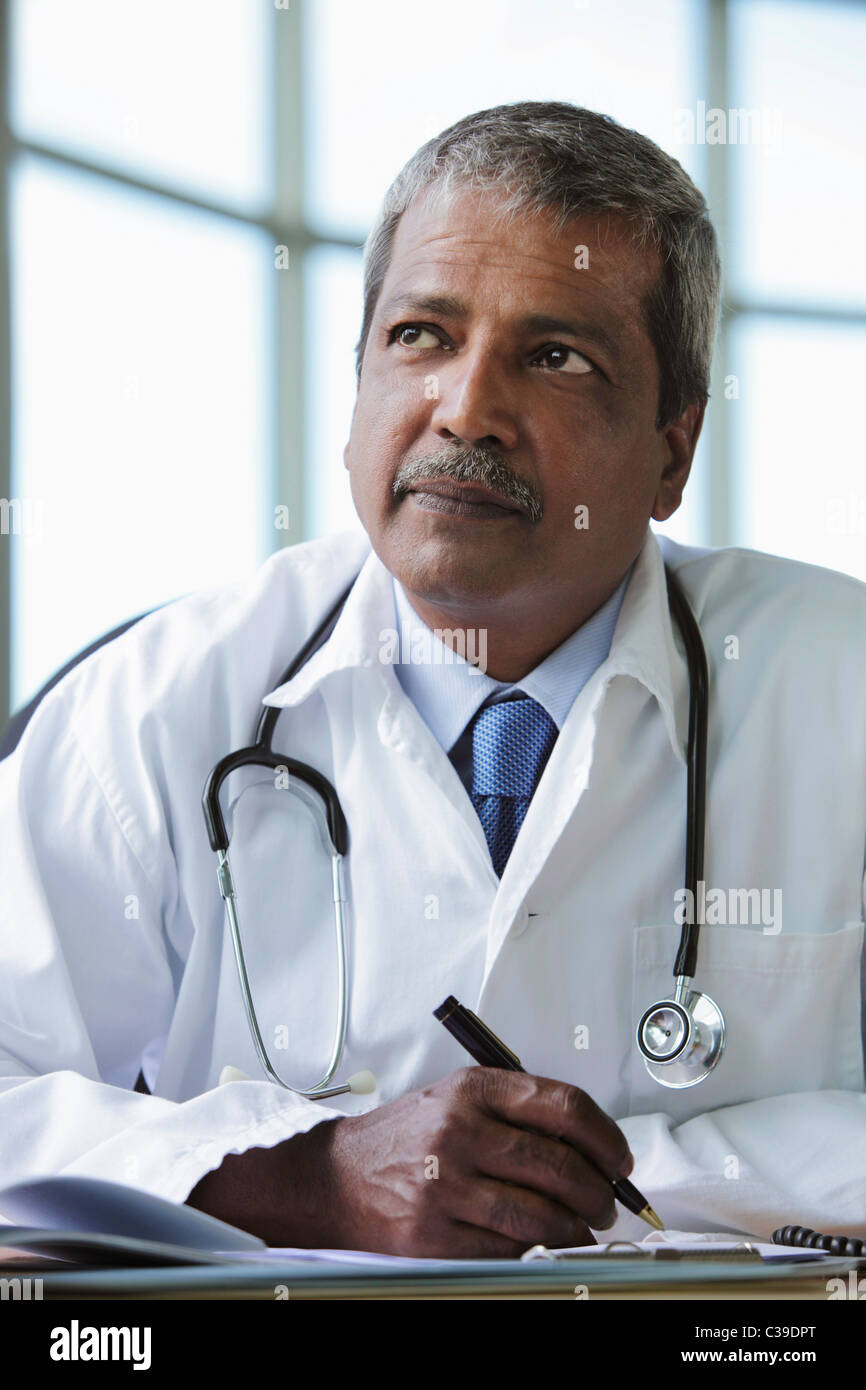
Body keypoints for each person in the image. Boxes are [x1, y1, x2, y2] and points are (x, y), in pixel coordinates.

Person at [1, 102, 864, 1259]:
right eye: (420, 335)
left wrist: (594, 1182)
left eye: (555, 357)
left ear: (670, 450)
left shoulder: (836, 682)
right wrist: (303, 1175)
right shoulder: (155, 701)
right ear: (357, 380)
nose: (465, 409)